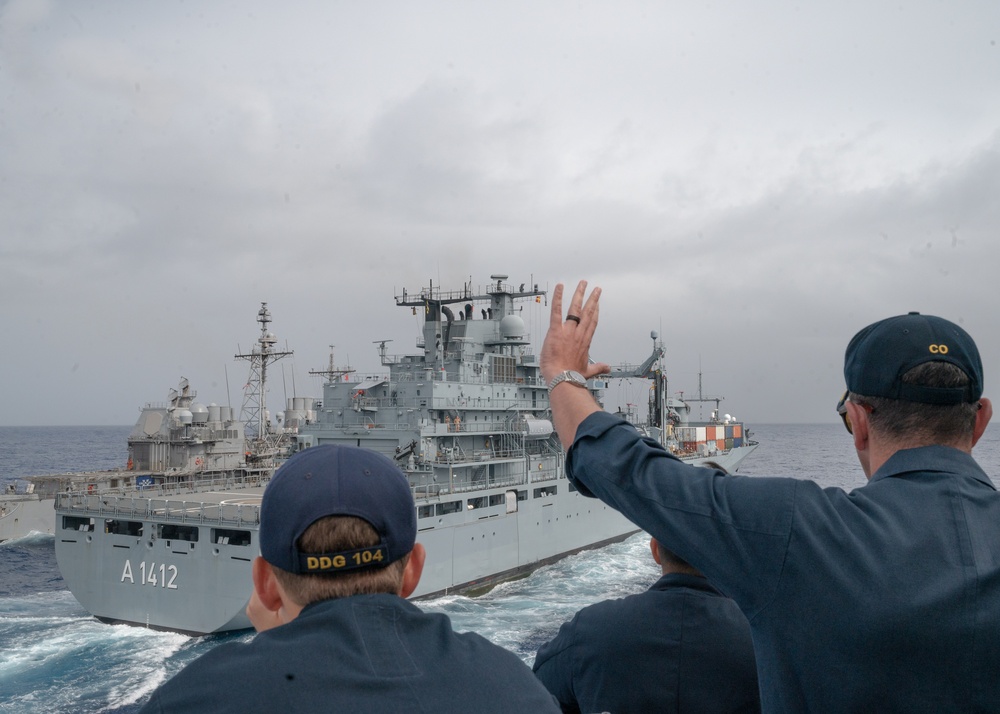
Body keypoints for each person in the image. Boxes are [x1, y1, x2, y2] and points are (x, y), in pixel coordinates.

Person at [540, 281, 998, 713]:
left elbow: (630, 470)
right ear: (980, 420)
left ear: (858, 422)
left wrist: (564, 376)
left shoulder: (801, 532)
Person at [139, 444, 560, 713]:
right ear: (413, 568)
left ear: (265, 584)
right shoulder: (515, 687)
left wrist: (276, 646)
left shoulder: (189, 698)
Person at [532, 537, 761, 713]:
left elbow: (534, 694)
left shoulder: (588, 631)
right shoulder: (766, 643)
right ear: (728, 553)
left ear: (655, 550)